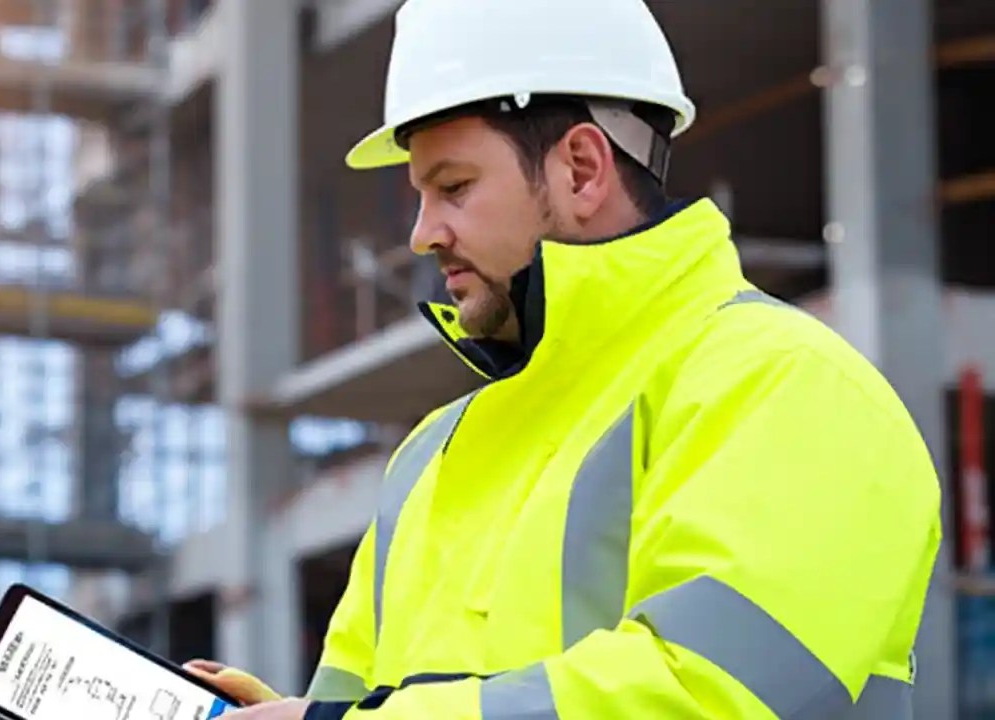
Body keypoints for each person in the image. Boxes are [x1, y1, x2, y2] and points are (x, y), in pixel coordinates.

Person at [189, 0, 943, 717]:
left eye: (453, 187)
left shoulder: (789, 387)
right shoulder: (428, 459)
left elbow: (702, 699)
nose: (422, 234)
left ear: (581, 169)